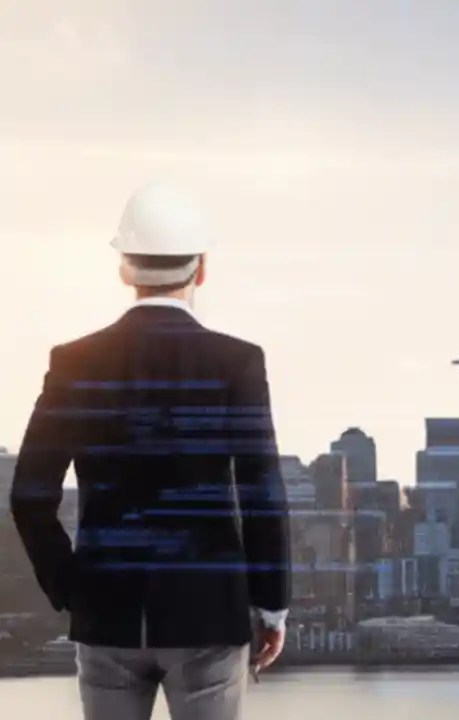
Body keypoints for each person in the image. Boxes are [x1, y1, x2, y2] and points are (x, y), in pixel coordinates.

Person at [8, 183, 291, 720]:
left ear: (124, 269)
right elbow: (261, 494)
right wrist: (271, 605)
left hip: (107, 613)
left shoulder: (75, 363)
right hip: (209, 615)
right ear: (200, 269)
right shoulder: (237, 362)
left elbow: (29, 496)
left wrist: (72, 589)